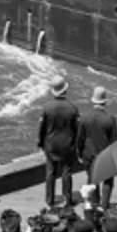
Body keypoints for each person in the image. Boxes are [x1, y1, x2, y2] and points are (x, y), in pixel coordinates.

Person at [37, 77, 81, 208]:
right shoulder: (73, 108)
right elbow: (77, 130)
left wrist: (40, 143)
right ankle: (68, 199)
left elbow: (41, 128)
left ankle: (49, 200)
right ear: (65, 90)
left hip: (50, 146)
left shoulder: (46, 108)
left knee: (50, 172)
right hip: (67, 146)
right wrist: (77, 146)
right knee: (66, 172)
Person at [77, 87, 117, 207]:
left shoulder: (84, 118)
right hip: (105, 155)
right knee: (108, 180)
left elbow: (79, 139)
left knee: (92, 178)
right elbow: (115, 141)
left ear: (93, 101)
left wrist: (79, 154)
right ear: (105, 102)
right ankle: (105, 206)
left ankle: (95, 203)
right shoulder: (111, 119)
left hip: (88, 154)